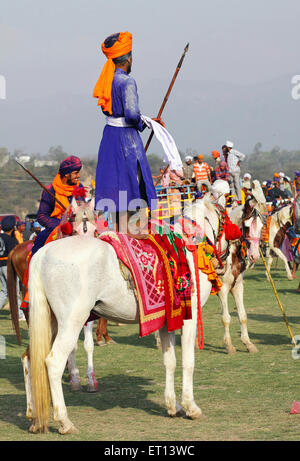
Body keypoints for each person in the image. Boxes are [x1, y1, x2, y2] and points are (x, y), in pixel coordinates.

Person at [93, 31, 157, 232]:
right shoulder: (127, 81)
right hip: (127, 142)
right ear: (128, 58)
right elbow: (131, 113)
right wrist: (145, 123)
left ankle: (112, 230)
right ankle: (135, 235)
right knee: (134, 190)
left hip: (109, 139)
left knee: (113, 191)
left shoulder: (107, 80)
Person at [32, 155, 84, 256]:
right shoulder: (50, 190)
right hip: (57, 229)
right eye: (76, 173)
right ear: (66, 174)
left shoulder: (80, 187)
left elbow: (83, 209)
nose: (79, 176)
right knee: (38, 248)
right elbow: (42, 216)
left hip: (79, 229)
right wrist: (61, 224)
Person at [0, 216, 24, 320]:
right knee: (14, 291)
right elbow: (14, 254)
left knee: (4, 291)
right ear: (12, 227)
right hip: (9, 266)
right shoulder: (10, 240)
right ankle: (19, 314)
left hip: (0, 266)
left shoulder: (0, 236)